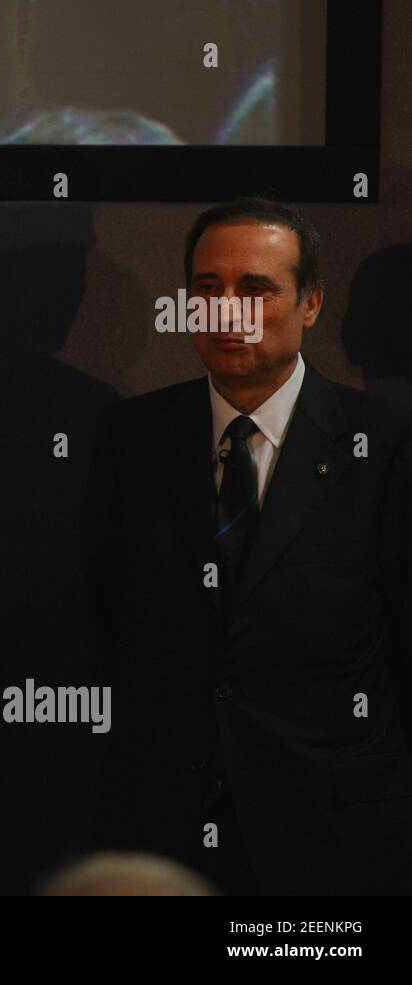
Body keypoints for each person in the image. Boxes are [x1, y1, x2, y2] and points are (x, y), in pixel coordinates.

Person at [83, 197, 412, 895]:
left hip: (331, 838)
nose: (226, 311)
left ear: (312, 302)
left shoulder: (384, 445)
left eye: (256, 290)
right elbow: (103, 625)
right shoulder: (131, 438)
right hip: (163, 831)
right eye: (207, 289)